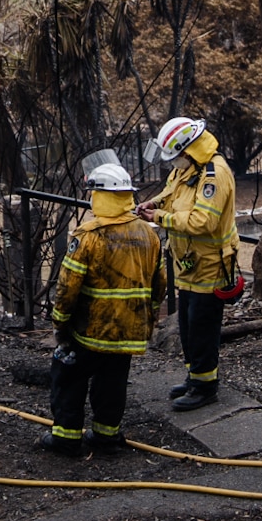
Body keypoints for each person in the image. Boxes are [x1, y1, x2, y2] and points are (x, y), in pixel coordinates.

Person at [43, 161, 164, 456]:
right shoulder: (148, 234)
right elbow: (159, 283)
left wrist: (60, 323)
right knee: (113, 380)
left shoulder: (88, 236)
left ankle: (66, 439)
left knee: (68, 376)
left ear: (98, 195)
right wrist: (149, 318)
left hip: (90, 330)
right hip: (128, 331)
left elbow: (68, 287)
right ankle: (106, 436)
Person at [140, 116, 238, 411]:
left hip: (210, 267)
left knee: (202, 327)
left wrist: (158, 218)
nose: (173, 164)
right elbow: (172, 194)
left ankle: (206, 387)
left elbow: (203, 222)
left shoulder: (213, 175)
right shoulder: (190, 170)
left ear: (189, 150)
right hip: (189, 264)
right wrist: (155, 204)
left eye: (176, 157)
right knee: (186, 324)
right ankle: (195, 377)